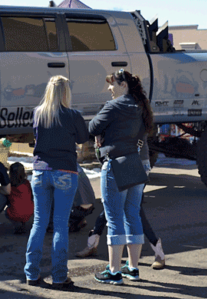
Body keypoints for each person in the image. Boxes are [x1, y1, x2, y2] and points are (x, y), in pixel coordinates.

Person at [89, 69, 154, 285]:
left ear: (123, 85)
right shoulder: (140, 106)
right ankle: (132, 268)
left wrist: (102, 134)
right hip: (136, 164)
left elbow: (93, 126)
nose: (109, 88)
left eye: (112, 84)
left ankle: (114, 271)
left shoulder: (114, 106)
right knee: (132, 214)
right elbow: (143, 135)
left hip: (116, 163)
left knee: (115, 217)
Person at [24, 75, 88, 290]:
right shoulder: (72, 115)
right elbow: (82, 138)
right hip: (65, 172)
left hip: (40, 172)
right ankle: (60, 276)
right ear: (65, 92)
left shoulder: (38, 113)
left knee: (39, 223)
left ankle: (31, 274)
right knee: (61, 225)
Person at [2, 162, 33, 234]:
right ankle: (22, 224)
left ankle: (17, 224)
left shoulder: (10, 185)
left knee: (7, 210)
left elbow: (7, 194)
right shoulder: (27, 183)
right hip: (29, 211)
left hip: (15, 212)